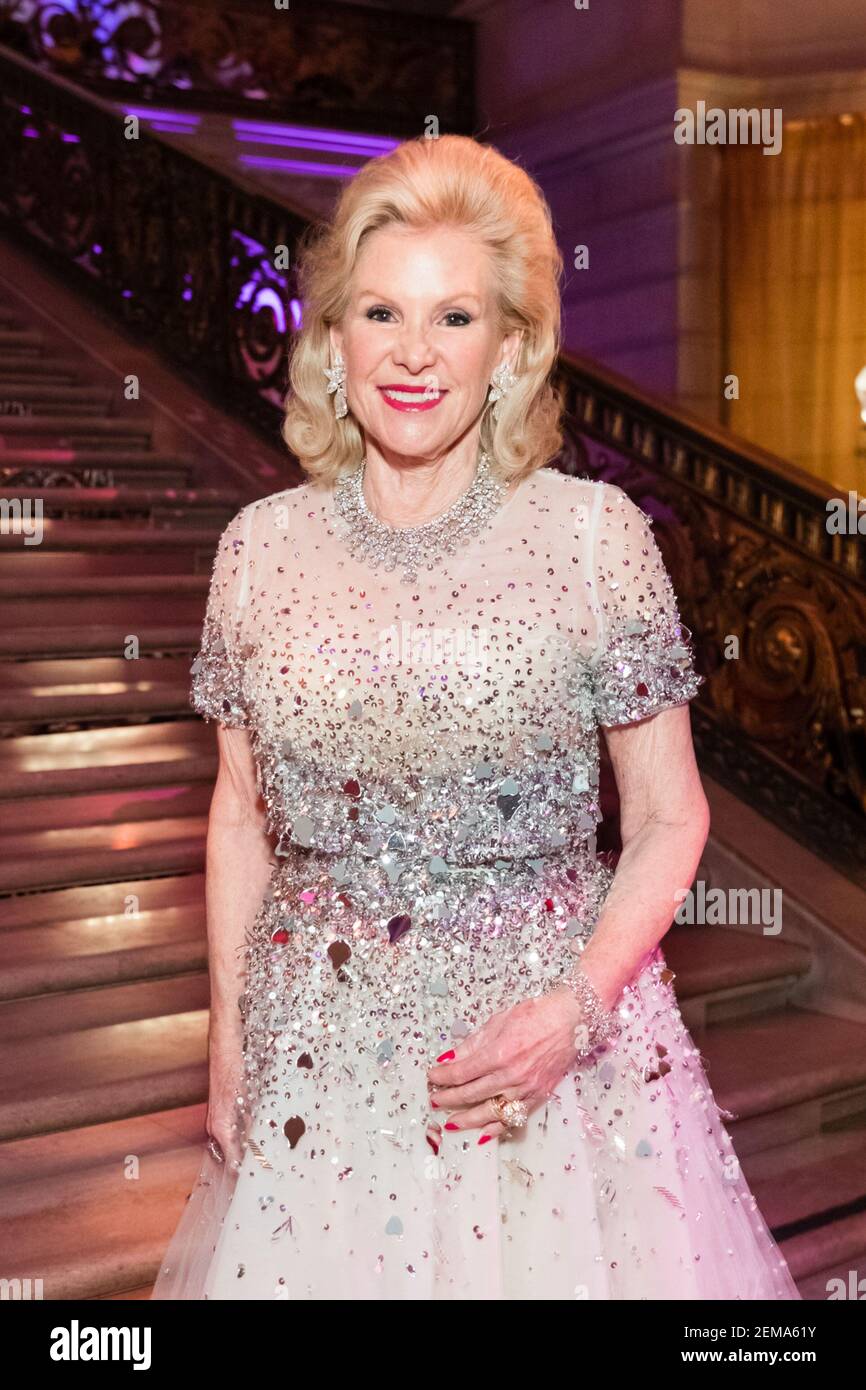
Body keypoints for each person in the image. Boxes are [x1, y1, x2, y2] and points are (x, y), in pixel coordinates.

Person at [151, 134, 801, 1300]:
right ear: (331, 339)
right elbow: (241, 817)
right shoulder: (256, 552)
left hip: (542, 1070)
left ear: (509, 347)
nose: (411, 354)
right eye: (379, 313)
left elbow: (666, 816)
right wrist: (226, 1036)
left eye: (454, 318)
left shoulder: (593, 538)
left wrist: (577, 1008)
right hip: (318, 1069)